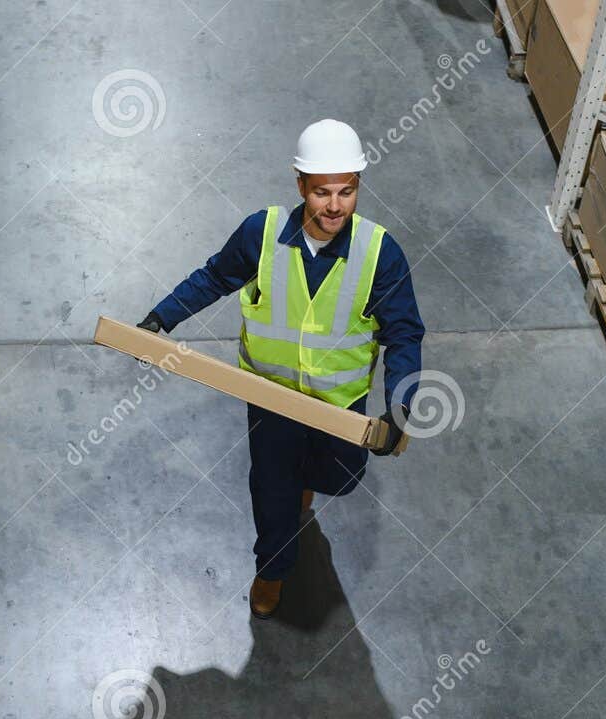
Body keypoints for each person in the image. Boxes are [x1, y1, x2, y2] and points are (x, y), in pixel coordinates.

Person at [140, 119, 426, 619]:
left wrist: (400, 401)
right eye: (321, 193)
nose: (334, 206)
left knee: (338, 479)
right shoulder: (263, 233)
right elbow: (214, 278)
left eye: (347, 191)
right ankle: (271, 570)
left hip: (339, 406)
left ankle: (306, 488)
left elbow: (403, 333)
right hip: (271, 400)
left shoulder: (380, 253)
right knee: (273, 491)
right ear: (299, 185)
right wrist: (161, 316)